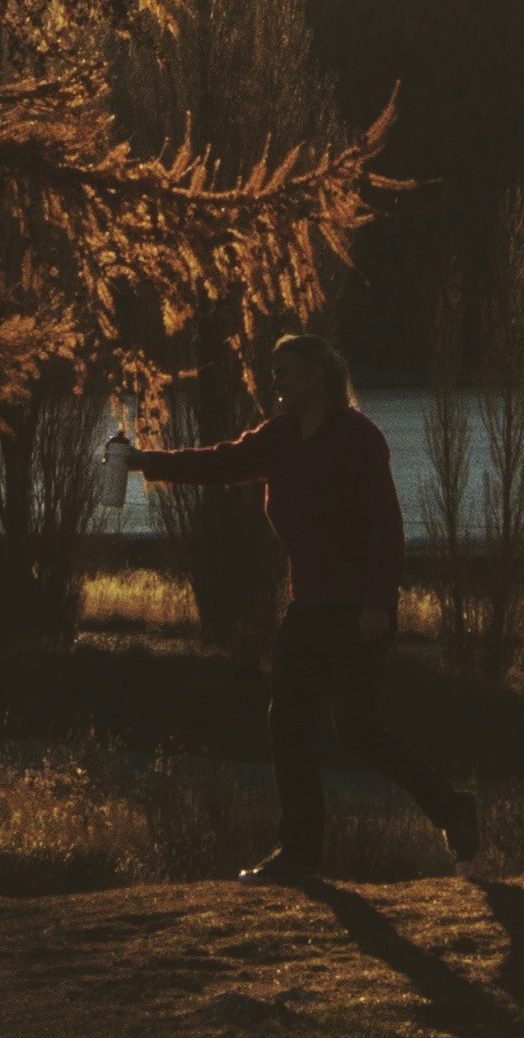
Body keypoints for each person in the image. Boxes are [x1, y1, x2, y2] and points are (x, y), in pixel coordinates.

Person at [122, 331, 483, 885]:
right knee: (286, 720)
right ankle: (300, 856)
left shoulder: (357, 438)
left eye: (285, 372)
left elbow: (388, 528)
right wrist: (145, 461)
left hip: (358, 607)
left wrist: (378, 604)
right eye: (276, 373)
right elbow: (223, 463)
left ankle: (452, 808)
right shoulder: (282, 437)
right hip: (309, 606)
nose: (277, 384)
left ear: (316, 377)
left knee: (356, 730)